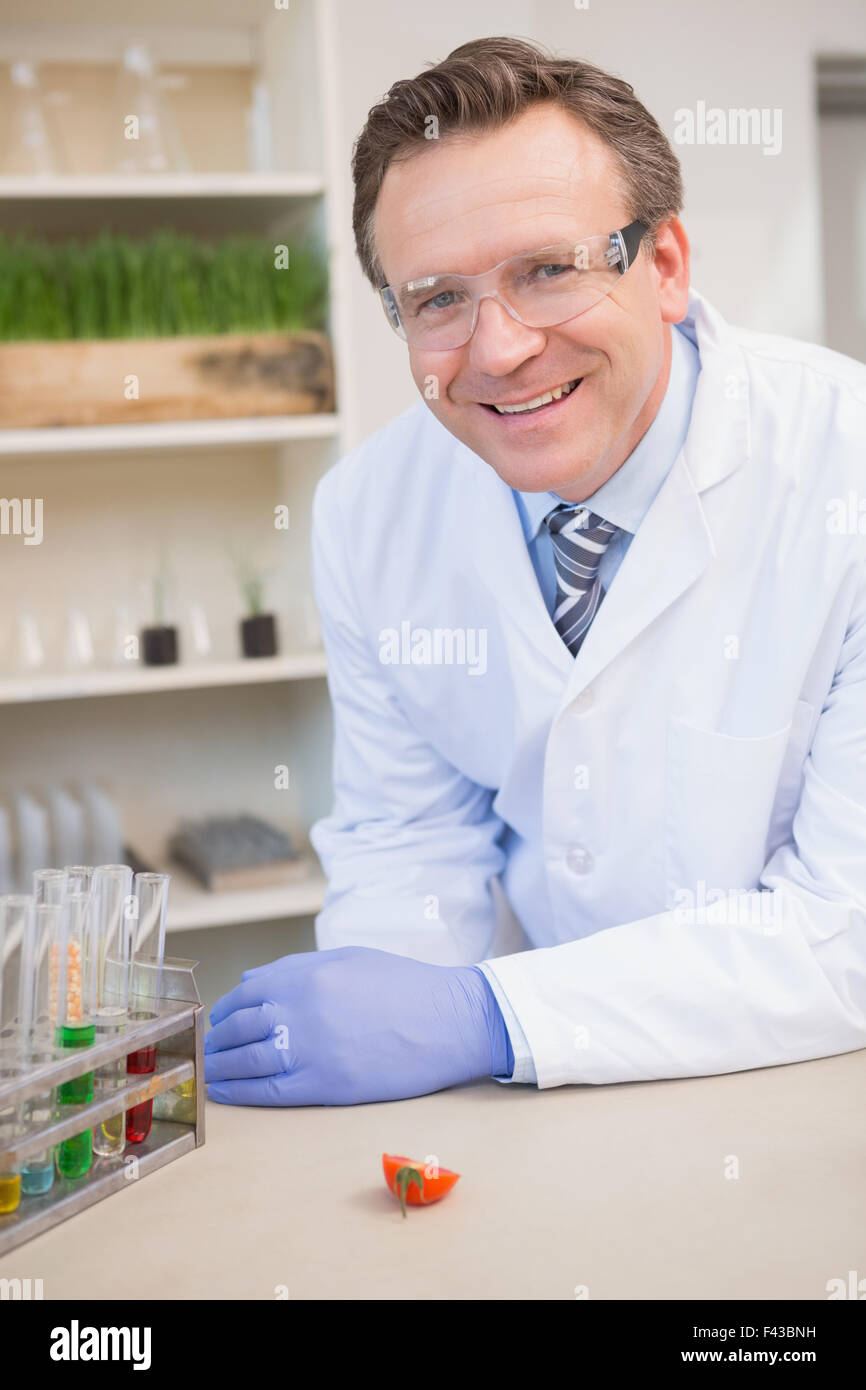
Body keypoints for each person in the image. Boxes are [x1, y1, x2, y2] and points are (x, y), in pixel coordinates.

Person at [205, 36, 866, 1106]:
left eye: (546, 270)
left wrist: (485, 1016)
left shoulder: (846, 468)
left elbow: (847, 929)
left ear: (662, 265)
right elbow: (408, 842)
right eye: (437, 300)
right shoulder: (369, 514)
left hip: (816, 1099)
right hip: (536, 1106)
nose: (498, 347)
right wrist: (385, 1062)